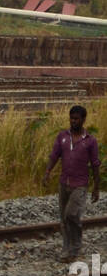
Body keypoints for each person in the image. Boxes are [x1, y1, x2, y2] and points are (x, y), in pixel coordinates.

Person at [45, 104, 101, 261]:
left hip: (80, 185)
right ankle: (66, 249)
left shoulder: (90, 141)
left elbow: (95, 164)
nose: (73, 121)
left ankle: (75, 247)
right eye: (71, 118)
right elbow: (54, 155)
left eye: (76, 119)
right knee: (64, 218)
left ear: (83, 120)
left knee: (71, 215)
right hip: (64, 183)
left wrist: (96, 188)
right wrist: (47, 172)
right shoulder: (62, 136)